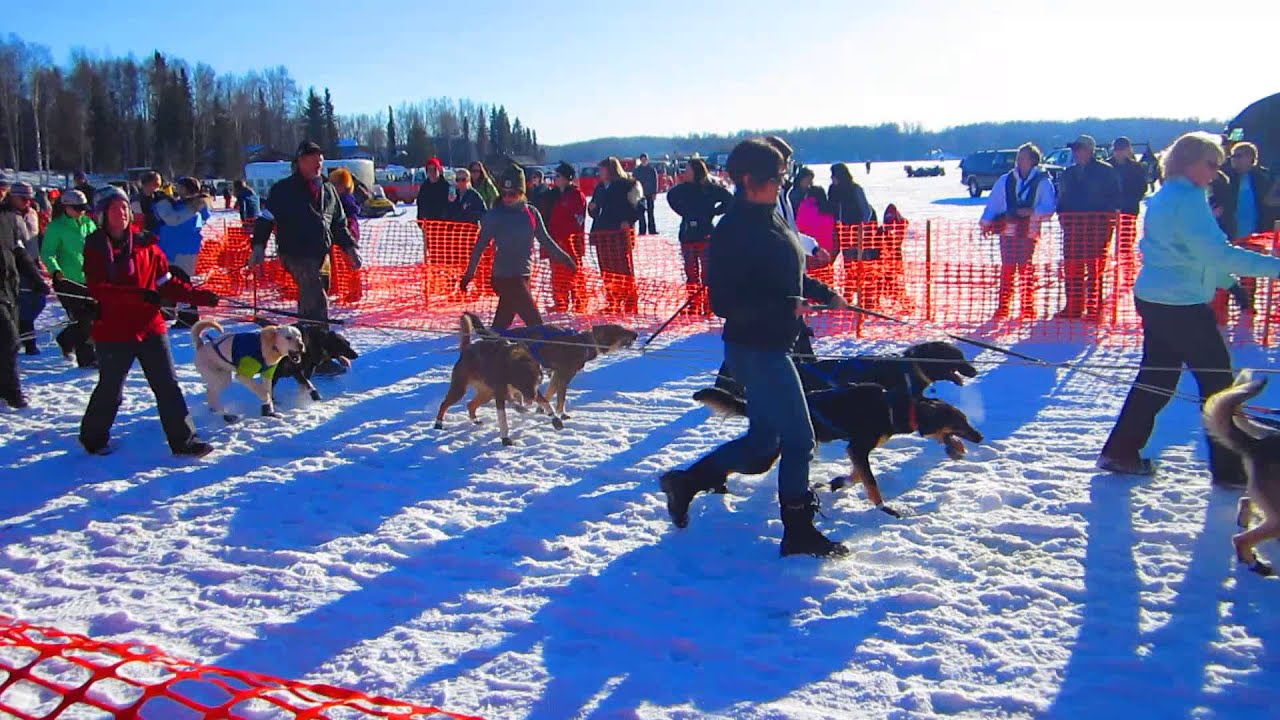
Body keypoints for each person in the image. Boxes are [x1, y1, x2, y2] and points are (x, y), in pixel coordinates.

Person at [659, 138, 851, 558]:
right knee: (800, 441)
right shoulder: (733, 229)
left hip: (773, 343)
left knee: (764, 445)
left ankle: (685, 482)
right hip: (756, 349)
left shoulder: (771, 215)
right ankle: (798, 531)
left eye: (784, 172)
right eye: (776, 175)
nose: (782, 180)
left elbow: (787, 273)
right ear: (748, 179)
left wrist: (821, 292)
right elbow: (724, 301)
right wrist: (786, 304)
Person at [1097, 132, 1280, 486]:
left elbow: (1190, 252)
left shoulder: (1168, 195)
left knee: (1157, 378)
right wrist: (1274, 267)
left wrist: (1228, 283)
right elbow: (1216, 252)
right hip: (1180, 303)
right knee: (1218, 384)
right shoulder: (1188, 198)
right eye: (1211, 165)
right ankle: (1229, 470)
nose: (1215, 173)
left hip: (1158, 297)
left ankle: (1120, 451)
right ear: (1188, 161)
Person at [80, 188, 220, 456]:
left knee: (167, 385)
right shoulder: (96, 246)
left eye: (124, 207)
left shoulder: (146, 243)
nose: (121, 213)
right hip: (114, 329)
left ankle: (184, 441)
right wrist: (140, 294)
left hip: (150, 326)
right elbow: (100, 289)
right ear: (102, 215)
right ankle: (93, 438)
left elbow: (165, 282)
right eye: (114, 209)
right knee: (111, 388)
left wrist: (198, 296)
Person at [250, 141, 362, 330]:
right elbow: (266, 218)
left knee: (316, 294)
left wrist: (350, 248)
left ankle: (307, 337)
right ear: (300, 162)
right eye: (313, 160)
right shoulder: (283, 190)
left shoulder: (329, 190)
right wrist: (259, 245)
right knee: (314, 290)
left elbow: (339, 224)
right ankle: (317, 336)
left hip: (321, 252)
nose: (318, 164)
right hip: (295, 252)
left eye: (320, 160)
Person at [459, 164, 576, 330]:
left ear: (522, 193)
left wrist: (565, 259)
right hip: (504, 277)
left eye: (512, 194)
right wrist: (469, 274)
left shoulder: (531, 213)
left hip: (523, 275)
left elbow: (546, 240)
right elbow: (480, 246)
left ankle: (490, 346)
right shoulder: (495, 215)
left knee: (501, 324)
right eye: (504, 193)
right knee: (536, 325)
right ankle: (541, 352)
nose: (507, 198)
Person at [980, 143, 1058, 320]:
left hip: (1029, 231)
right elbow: (994, 202)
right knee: (1007, 269)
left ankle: (1027, 306)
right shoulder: (1006, 179)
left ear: (1033, 160)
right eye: (1018, 157)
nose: (1019, 160)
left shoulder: (1043, 181)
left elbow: (1049, 206)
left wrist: (1033, 212)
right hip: (1007, 230)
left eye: (1023, 157)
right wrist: (986, 222)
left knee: (1025, 269)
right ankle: (1003, 307)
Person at [1056, 134, 1121, 320]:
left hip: (1097, 228)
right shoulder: (1068, 173)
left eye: (1079, 148)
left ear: (1090, 150)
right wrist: (1063, 217)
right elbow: (1062, 198)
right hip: (1072, 228)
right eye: (1074, 149)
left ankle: (1094, 307)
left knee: (1095, 268)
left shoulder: (1106, 171)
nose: (1075, 152)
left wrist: (1106, 219)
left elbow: (1115, 197)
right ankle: (1073, 306)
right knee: (1072, 267)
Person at [0, 183, 49, 407]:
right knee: (10, 339)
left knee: (9, 340)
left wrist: (37, 280)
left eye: (3, 189)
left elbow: (19, 251)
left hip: (10, 286)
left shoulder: (10, 217)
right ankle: (12, 393)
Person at [667, 158, 733, 315]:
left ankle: (708, 304)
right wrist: (683, 211)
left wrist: (714, 212)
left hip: (706, 234)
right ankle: (693, 304)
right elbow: (671, 197)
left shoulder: (710, 188)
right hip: (688, 234)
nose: (685, 173)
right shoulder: (682, 189)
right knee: (691, 272)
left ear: (696, 171)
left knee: (707, 273)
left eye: (688, 170)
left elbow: (729, 200)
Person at [41, 190, 99, 368]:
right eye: (77, 208)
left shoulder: (88, 223)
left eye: (83, 208)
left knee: (95, 315)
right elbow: (47, 252)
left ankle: (65, 339)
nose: (81, 211)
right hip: (66, 281)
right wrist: (55, 270)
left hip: (88, 278)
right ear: (66, 207)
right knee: (83, 319)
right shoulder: (56, 227)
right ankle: (87, 358)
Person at [588, 156, 644, 313]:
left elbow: (639, 206)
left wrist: (628, 220)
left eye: (602, 168)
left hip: (619, 233)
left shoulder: (628, 184)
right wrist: (592, 209)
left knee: (622, 268)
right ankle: (612, 301)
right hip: (602, 232)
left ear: (611, 169)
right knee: (606, 269)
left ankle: (629, 301)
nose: (599, 172)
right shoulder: (600, 187)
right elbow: (596, 210)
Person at [547, 161, 589, 312]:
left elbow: (577, 220)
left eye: (558, 176)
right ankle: (560, 302)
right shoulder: (554, 195)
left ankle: (579, 302)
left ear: (566, 178)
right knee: (557, 274)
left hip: (570, 243)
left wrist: (566, 237)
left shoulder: (576, 196)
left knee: (574, 272)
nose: (555, 179)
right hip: (555, 241)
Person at [1110, 137, 1149, 216]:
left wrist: (1132, 200)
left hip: (1130, 209)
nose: (1119, 152)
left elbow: (1142, 187)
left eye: (1122, 149)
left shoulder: (1136, 167)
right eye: (1116, 149)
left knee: (1128, 228)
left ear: (1128, 150)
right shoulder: (1106, 166)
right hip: (1110, 210)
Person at [415, 157, 451, 221]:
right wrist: (420, 221)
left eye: (434, 169)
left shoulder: (446, 186)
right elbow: (420, 205)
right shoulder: (424, 187)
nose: (432, 172)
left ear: (439, 170)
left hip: (443, 225)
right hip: (428, 225)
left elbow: (451, 206)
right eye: (429, 169)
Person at [634, 153, 659, 235]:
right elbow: (634, 182)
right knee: (641, 213)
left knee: (650, 213)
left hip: (650, 194)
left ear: (647, 160)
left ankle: (652, 230)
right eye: (642, 159)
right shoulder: (637, 170)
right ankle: (642, 230)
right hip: (640, 195)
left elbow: (655, 181)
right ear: (640, 160)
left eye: (645, 159)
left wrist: (655, 192)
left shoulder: (652, 170)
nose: (644, 161)